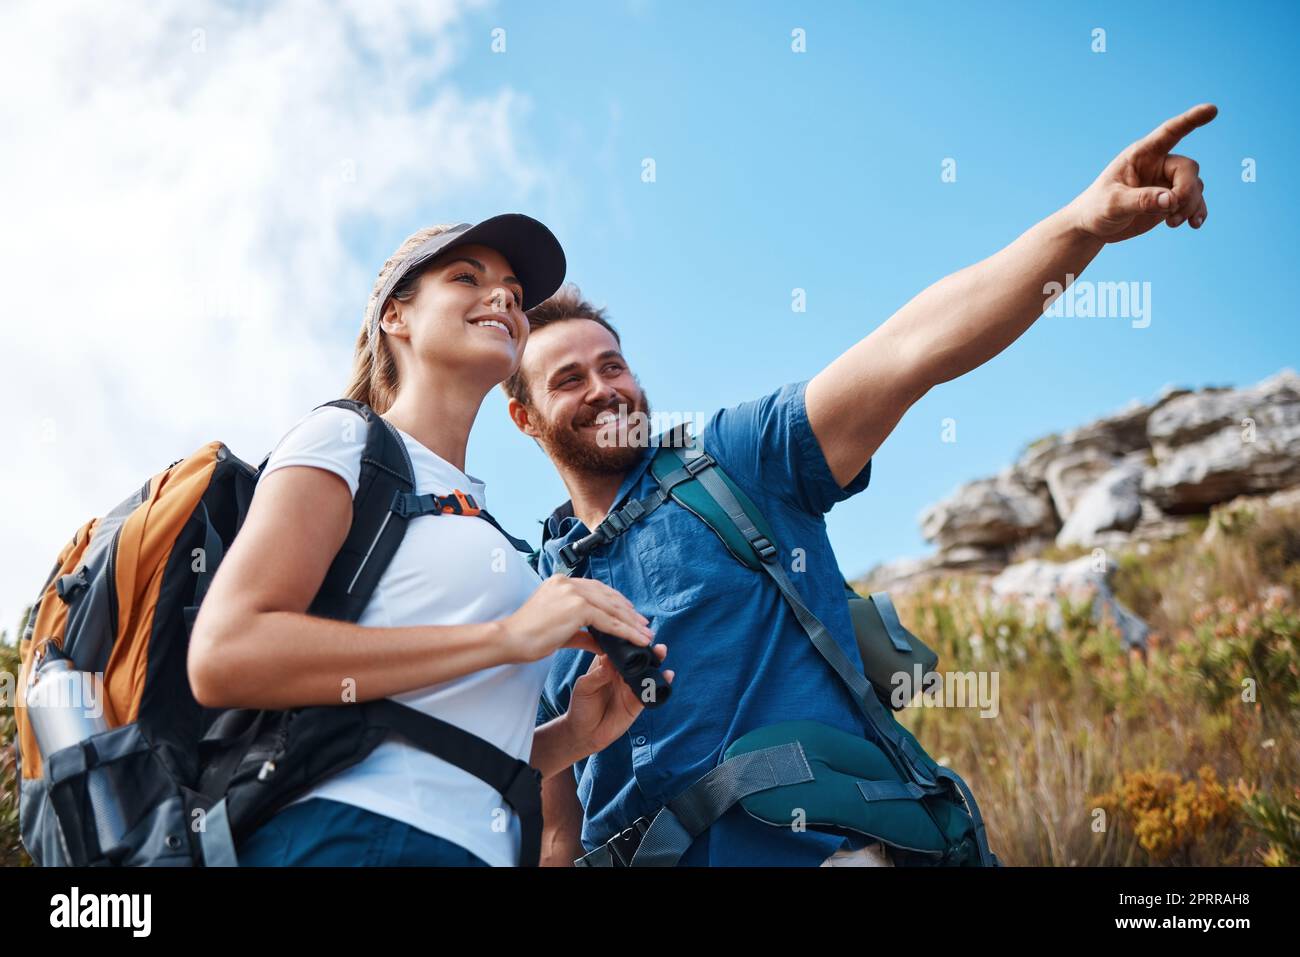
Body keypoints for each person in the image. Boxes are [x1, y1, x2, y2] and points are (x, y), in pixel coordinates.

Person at [502, 105, 1217, 866]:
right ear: (524, 418)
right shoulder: (531, 598)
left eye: (614, 365)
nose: (605, 389)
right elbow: (556, 834)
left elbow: (912, 348)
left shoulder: (733, 461)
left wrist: (1082, 225)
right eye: (570, 378)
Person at [187, 214, 671, 867]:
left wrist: (572, 736)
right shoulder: (346, 440)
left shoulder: (482, 522)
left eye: (512, 289)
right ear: (396, 317)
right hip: (347, 837)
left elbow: (430, 741)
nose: (503, 296)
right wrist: (506, 638)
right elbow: (226, 652)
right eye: (466, 277)